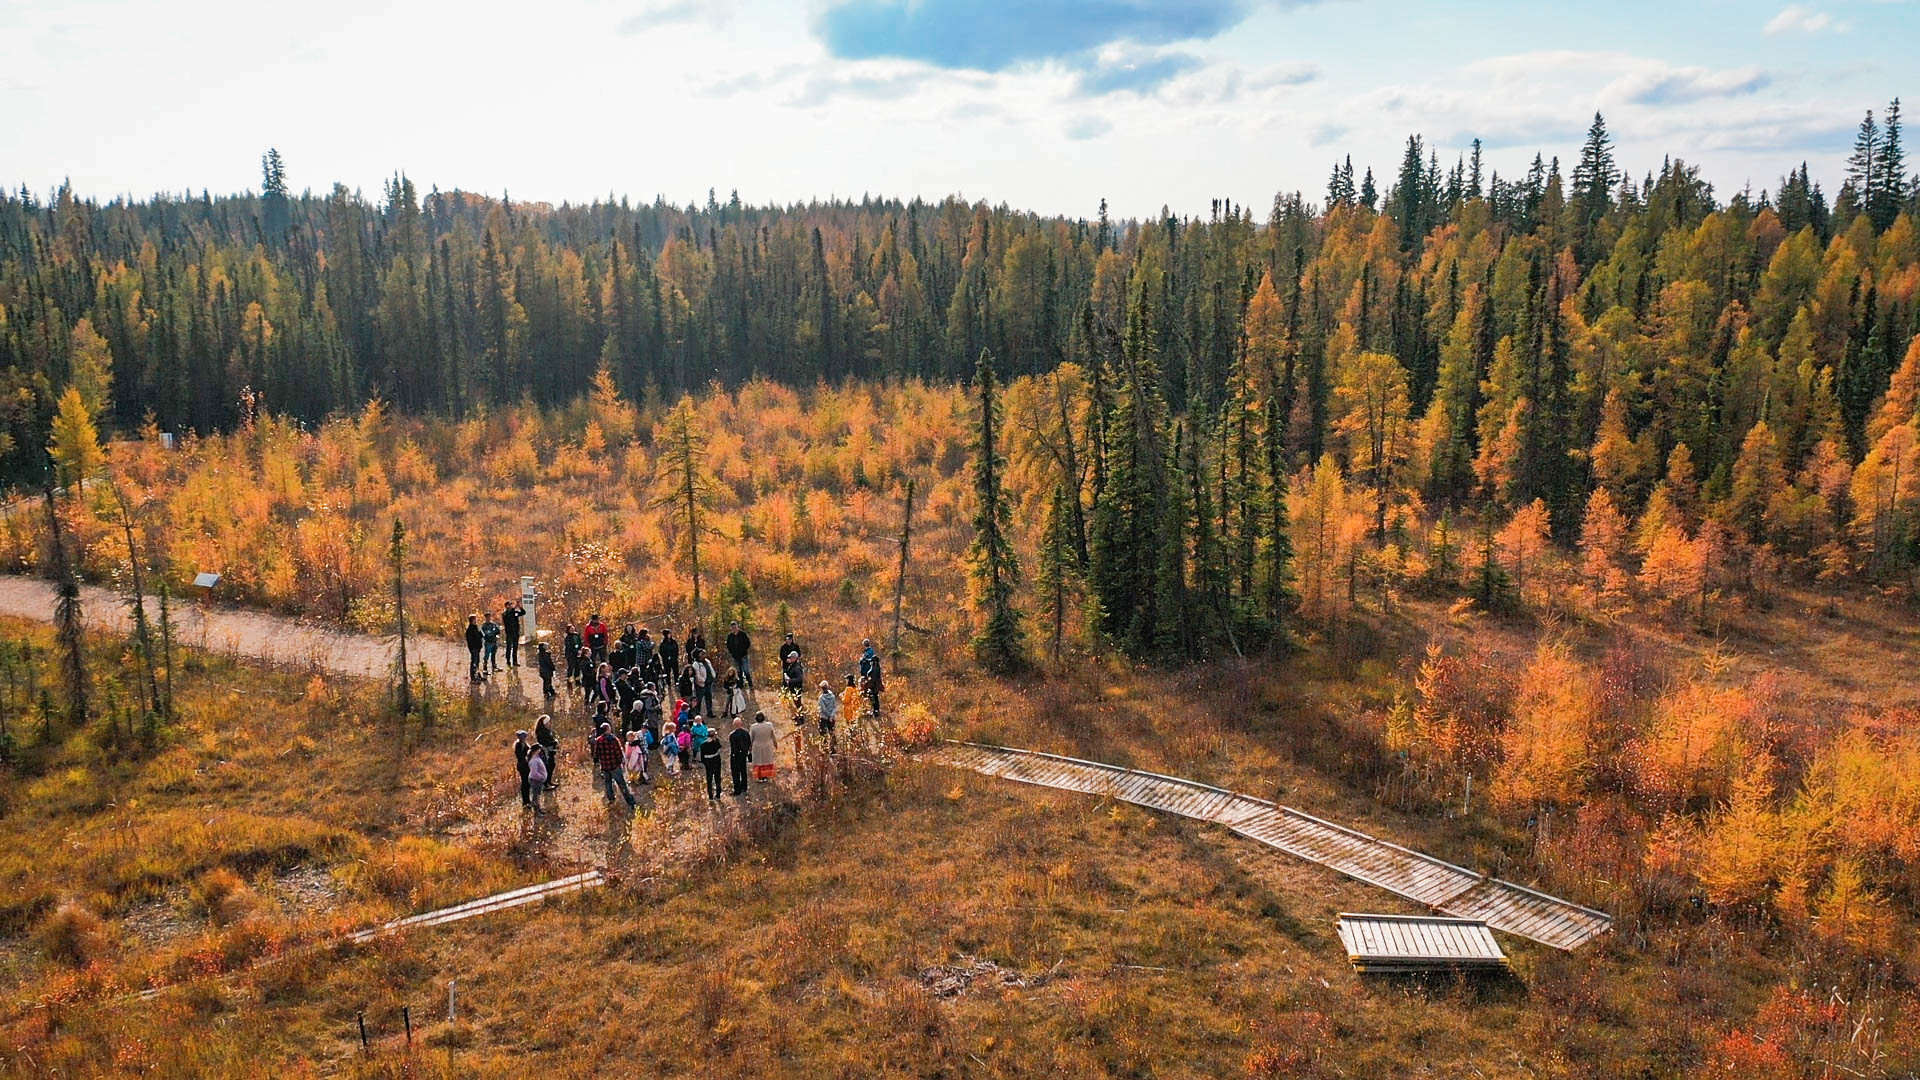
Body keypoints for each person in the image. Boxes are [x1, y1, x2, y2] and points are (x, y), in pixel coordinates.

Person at [591, 722, 637, 809]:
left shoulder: (598, 740)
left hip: (605, 766)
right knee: (622, 784)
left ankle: (611, 799)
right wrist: (621, 762)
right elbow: (618, 752)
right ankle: (630, 802)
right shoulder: (613, 739)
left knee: (608, 783)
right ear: (608, 729)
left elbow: (596, 754)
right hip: (615, 766)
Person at [750, 711, 778, 783]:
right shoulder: (769, 725)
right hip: (767, 745)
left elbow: (751, 738)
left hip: (757, 746)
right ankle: (766, 775)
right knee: (766, 761)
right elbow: (773, 736)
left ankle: (760, 777)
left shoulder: (753, 727)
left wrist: (749, 748)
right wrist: (775, 744)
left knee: (759, 762)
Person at [698, 723, 724, 799]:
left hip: (708, 762)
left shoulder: (703, 744)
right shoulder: (716, 742)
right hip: (716, 761)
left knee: (709, 779)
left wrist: (705, 762)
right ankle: (718, 793)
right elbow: (719, 749)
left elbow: (702, 756)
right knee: (717, 777)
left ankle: (710, 795)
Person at [533, 714, 560, 788]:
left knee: (552, 765)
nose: (549, 724)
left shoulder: (547, 731)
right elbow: (544, 742)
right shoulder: (541, 732)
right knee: (547, 767)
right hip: (545, 752)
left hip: (550, 751)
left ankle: (549, 781)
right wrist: (553, 743)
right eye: (548, 722)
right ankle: (546, 784)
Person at [726, 621, 753, 690]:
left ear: (737, 627)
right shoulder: (730, 636)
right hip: (735, 656)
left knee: (746, 670)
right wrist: (732, 653)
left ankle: (750, 684)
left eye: (735, 627)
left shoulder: (742, 634)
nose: (734, 629)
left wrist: (744, 650)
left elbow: (748, 643)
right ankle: (741, 685)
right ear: (731, 628)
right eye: (732, 628)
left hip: (743, 655)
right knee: (738, 671)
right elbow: (728, 646)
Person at [728, 716, 752, 795]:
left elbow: (733, 746)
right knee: (743, 771)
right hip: (743, 754)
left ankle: (737, 789)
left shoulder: (732, 735)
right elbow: (749, 743)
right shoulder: (746, 733)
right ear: (741, 724)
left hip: (736, 755)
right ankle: (744, 787)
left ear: (734, 725)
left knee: (735, 773)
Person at [859, 639, 883, 716]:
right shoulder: (877, 666)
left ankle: (875, 710)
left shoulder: (873, 666)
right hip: (874, 682)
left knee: (872, 695)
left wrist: (863, 660)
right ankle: (875, 710)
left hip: (872, 682)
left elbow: (870, 673)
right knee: (874, 696)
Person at [816, 680, 841, 754]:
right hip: (831, 718)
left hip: (824, 718)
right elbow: (834, 707)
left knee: (823, 733)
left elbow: (823, 709)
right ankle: (833, 749)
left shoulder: (821, 698)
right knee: (832, 732)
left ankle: (825, 749)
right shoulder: (832, 696)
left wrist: (828, 716)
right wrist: (831, 716)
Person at [526, 741, 550, 813]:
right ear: (537, 750)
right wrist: (542, 777)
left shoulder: (536, 758)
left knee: (537, 795)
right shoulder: (534, 761)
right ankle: (537, 810)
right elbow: (534, 773)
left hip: (537, 780)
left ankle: (537, 808)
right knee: (536, 796)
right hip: (536, 780)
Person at [514, 729, 535, 809]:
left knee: (527, 783)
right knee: (525, 783)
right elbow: (521, 757)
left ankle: (527, 800)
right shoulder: (519, 745)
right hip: (523, 767)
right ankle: (525, 801)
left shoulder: (523, 744)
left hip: (526, 766)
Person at [692, 651, 716, 717]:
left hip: (709, 683)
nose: (703, 655)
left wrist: (713, 676)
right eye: (702, 654)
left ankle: (709, 712)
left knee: (709, 698)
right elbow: (697, 675)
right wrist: (703, 681)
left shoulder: (707, 661)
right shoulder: (696, 664)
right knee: (699, 699)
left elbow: (711, 669)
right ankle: (697, 713)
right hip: (701, 685)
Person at [502, 600, 524, 667]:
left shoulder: (514, 612)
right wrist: (515, 607)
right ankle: (508, 661)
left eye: (511, 605)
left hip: (515, 633)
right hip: (509, 633)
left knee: (515, 648)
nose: (510, 606)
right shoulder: (505, 614)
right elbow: (509, 616)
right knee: (508, 648)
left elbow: (523, 612)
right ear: (506, 606)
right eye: (509, 605)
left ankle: (515, 661)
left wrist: (519, 606)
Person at [465, 615, 484, 682]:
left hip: (478, 648)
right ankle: (473, 678)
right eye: (475, 619)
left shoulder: (476, 628)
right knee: (474, 662)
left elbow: (481, 635)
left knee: (477, 662)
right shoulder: (469, 630)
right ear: (472, 620)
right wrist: (472, 648)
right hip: (474, 648)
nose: (476, 620)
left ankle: (478, 675)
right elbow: (470, 641)